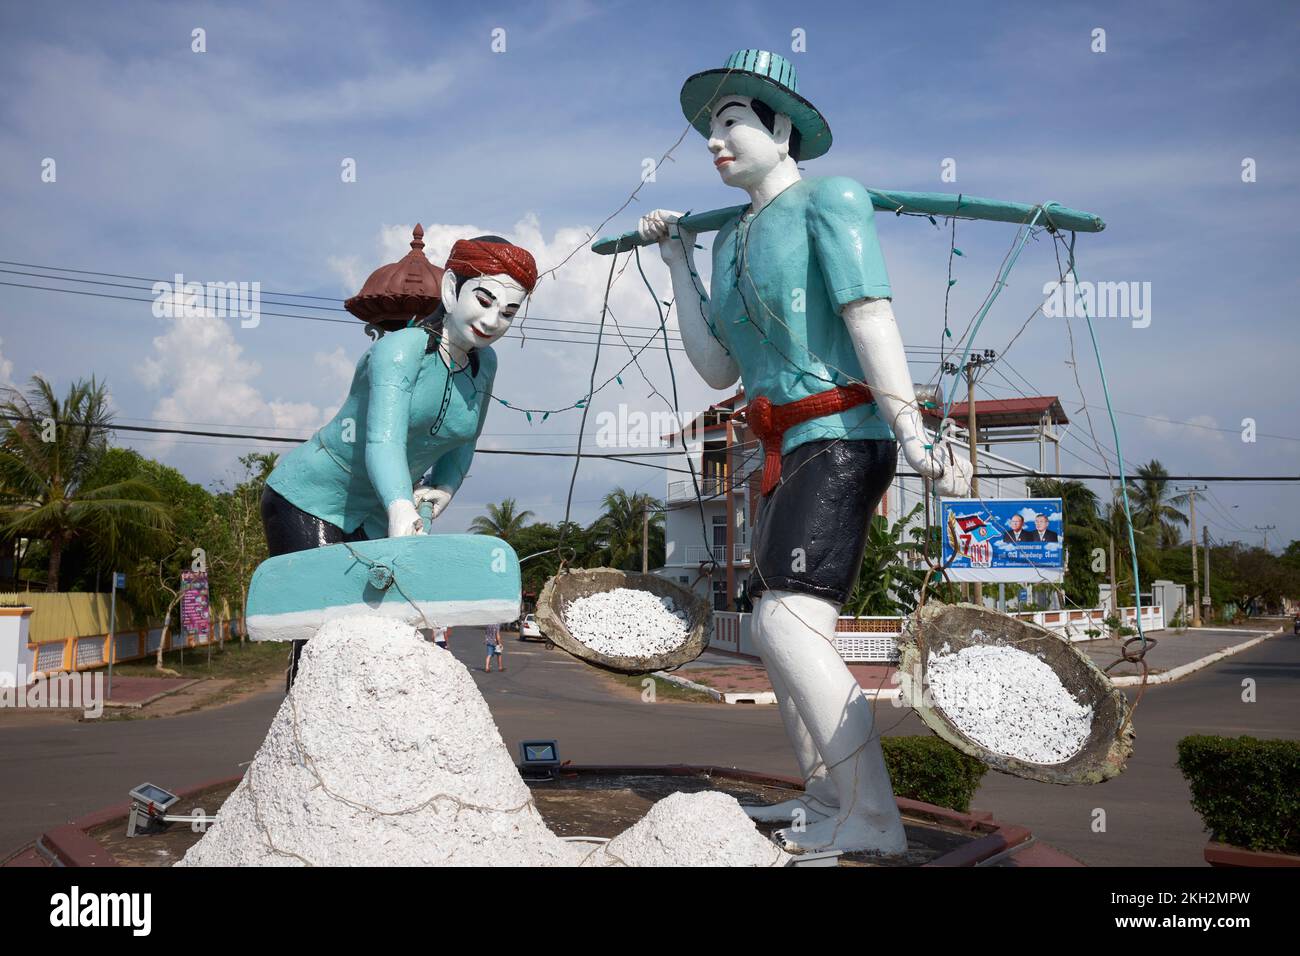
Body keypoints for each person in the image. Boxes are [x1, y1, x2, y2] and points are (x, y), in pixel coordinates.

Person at [639, 50, 971, 855]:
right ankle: (827, 803)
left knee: (789, 628)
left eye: (729, 124)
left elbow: (870, 317)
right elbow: (719, 366)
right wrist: (679, 261)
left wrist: (911, 430)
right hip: (783, 446)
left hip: (847, 435)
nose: (713, 143)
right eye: (707, 131)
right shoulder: (730, 242)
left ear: (780, 129)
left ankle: (874, 821)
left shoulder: (833, 199)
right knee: (772, 628)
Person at [259, 236, 538, 685]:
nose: (492, 321)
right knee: (326, 632)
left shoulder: (484, 367)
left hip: (376, 510)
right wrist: (400, 504)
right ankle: (306, 745)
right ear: (451, 290)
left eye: (508, 312)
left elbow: (463, 440)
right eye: (484, 300)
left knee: (379, 627)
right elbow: (383, 440)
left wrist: (441, 492)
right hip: (310, 499)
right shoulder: (400, 350)